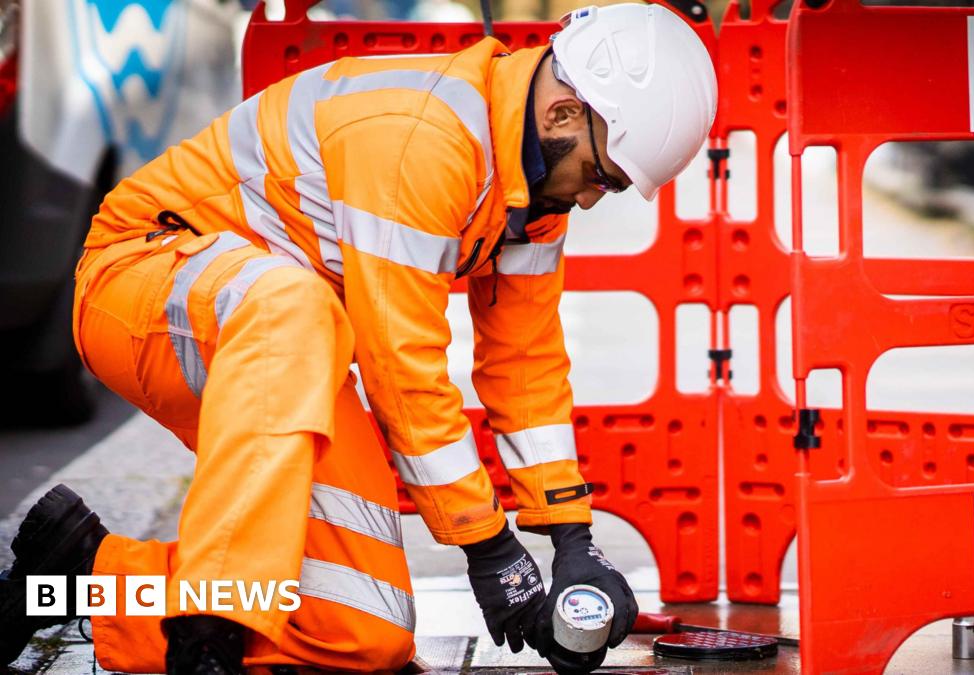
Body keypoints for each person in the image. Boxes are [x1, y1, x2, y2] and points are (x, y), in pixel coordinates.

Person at [0, 3, 716, 672]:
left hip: (281, 353)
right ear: (562, 112)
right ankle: (207, 618)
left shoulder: (533, 196)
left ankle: (76, 581)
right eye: (599, 175)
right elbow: (401, 368)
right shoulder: (426, 138)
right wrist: (488, 544)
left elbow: (525, 367)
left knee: (363, 628)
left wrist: (571, 539)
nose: (593, 197)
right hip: (142, 281)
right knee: (297, 304)